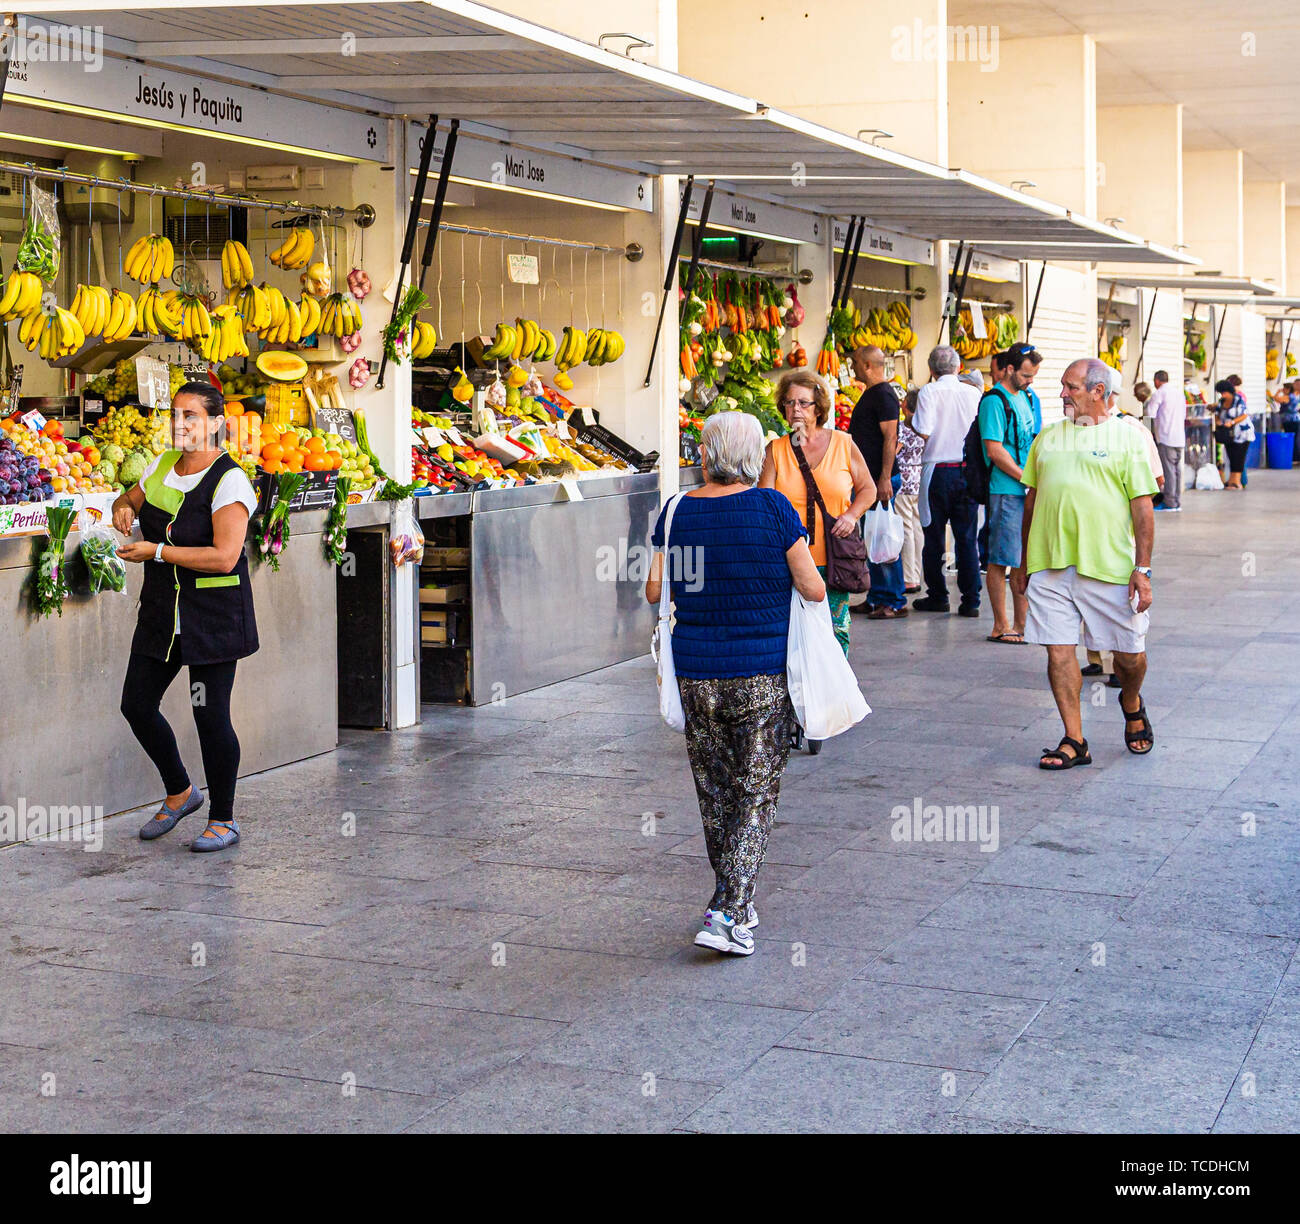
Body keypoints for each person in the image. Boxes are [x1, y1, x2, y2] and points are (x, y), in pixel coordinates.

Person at [647, 411, 825, 957]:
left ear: (706, 454)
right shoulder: (774, 508)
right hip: (761, 676)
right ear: (754, 458)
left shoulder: (675, 511)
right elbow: (814, 589)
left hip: (697, 676)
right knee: (756, 792)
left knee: (715, 791)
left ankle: (735, 903)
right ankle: (726, 910)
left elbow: (656, 590)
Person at [114, 383, 260, 851]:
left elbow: (223, 557)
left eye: (191, 416)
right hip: (162, 612)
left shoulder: (229, 481)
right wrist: (121, 507)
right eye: (175, 415)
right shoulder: (160, 466)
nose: (180, 424)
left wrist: (156, 550)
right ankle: (180, 791)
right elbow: (132, 498)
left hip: (212, 615)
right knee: (136, 704)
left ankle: (225, 818)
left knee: (209, 715)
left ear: (216, 423)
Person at [1012, 359, 1157, 770]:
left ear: (1097, 391)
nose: (1062, 394)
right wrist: (1024, 562)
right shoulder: (1047, 438)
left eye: (1070, 387)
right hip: (1050, 565)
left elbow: (1143, 508)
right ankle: (1074, 739)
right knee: (1059, 652)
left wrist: (1142, 570)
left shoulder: (1127, 438)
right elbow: (1032, 501)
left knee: (1130, 656)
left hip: (1110, 567)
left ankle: (1130, 701)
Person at [761, 369, 875, 652]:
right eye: (789, 403)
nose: (795, 409)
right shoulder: (775, 450)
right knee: (792, 635)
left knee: (836, 633)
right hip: (788, 560)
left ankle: (836, 693)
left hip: (833, 558)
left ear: (819, 407)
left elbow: (868, 490)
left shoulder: (843, 444)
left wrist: (850, 516)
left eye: (803, 403)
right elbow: (763, 503)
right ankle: (800, 694)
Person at [978, 342, 1041, 644]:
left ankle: (1021, 624)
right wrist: (1025, 477)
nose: (1030, 381)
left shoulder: (1026, 397)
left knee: (1021, 558)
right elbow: (994, 450)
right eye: (1026, 375)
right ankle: (1000, 625)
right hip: (1005, 490)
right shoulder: (994, 401)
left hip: (1025, 488)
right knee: (1000, 558)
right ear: (1009, 369)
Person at [912, 345, 981, 616]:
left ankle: (938, 595)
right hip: (967, 471)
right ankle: (971, 600)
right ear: (958, 367)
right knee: (967, 537)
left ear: (931, 370)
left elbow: (924, 431)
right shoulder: (973, 393)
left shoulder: (929, 391)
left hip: (937, 472)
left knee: (934, 536)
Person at [847, 344, 906, 618]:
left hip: (879, 480)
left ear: (868, 365)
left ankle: (892, 599)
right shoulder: (872, 393)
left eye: (856, 362)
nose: (853, 366)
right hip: (868, 480)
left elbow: (890, 438)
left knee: (883, 535)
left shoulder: (884, 394)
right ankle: (875, 595)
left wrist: (884, 478)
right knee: (872, 535)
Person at [895, 389, 925, 593]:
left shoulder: (902, 428)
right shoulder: (925, 426)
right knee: (916, 528)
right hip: (920, 479)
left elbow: (894, 449)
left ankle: (908, 578)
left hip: (904, 482)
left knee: (906, 528)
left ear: (905, 404)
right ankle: (916, 573)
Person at [1146, 370, 1185, 511]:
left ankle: (1170, 503)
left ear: (1157, 381)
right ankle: (1176, 501)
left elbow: (1150, 414)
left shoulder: (1159, 393)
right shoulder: (1178, 393)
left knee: (1168, 471)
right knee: (1176, 470)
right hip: (1179, 437)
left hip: (1165, 436)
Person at [1214, 378, 1254, 490]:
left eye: (1224, 392)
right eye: (1221, 393)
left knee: (1239, 457)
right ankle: (1231, 481)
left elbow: (1244, 414)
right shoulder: (1222, 402)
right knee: (1231, 456)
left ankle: (1237, 482)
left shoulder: (1238, 400)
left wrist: (1232, 422)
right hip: (1229, 434)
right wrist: (1218, 421)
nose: (1222, 395)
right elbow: (1217, 413)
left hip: (1243, 433)